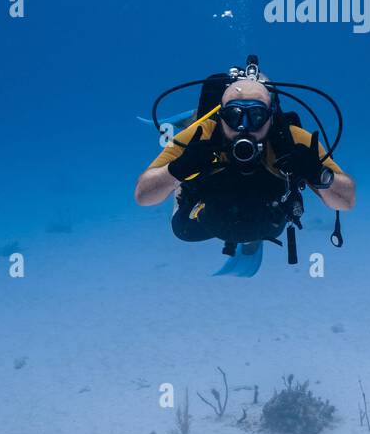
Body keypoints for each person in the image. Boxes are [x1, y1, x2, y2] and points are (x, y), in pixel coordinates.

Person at [134, 65, 355, 276]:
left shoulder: (293, 140)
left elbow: (346, 201)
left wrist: (319, 174)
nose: (244, 126)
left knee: (266, 225)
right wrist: (176, 171)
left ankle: (249, 237)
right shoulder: (199, 135)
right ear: (220, 117)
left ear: (271, 115)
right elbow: (143, 196)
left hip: (268, 219)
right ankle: (197, 117)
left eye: (257, 115)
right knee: (183, 231)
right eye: (234, 115)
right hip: (206, 214)